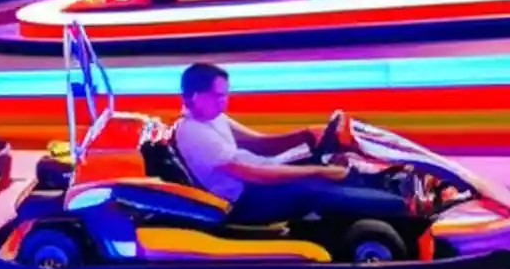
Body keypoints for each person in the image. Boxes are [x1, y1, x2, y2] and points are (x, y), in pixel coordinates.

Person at [174, 62, 411, 225]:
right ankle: (395, 207)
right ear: (195, 96)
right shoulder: (194, 133)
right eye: (218, 96)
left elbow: (260, 144)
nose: (224, 102)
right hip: (244, 201)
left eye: (225, 95)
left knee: (319, 164)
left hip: (259, 179)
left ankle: (386, 184)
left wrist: (303, 136)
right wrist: (318, 171)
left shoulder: (215, 118)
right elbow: (253, 175)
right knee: (312, 188)